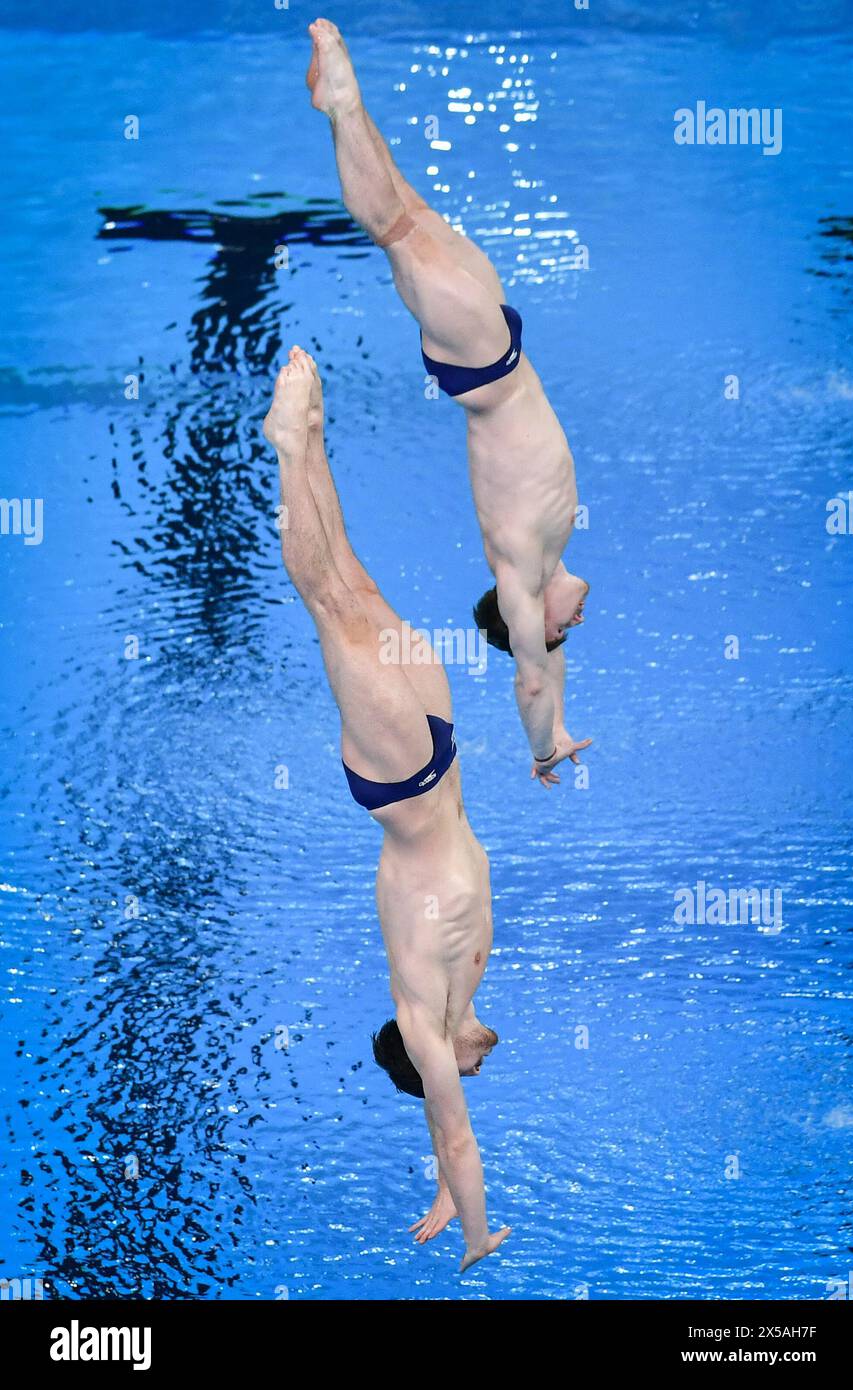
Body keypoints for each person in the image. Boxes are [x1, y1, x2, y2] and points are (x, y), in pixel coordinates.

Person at [263, 346, 510, 1271]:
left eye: (465, 1076)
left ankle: (291, 448)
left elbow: (457, 1138)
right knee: (355, 581)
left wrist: (477, 1234)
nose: (483, 1068)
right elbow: (449, 1149)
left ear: (440, 1069)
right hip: (438, 750)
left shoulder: (424, 1022)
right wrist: (447, 1183)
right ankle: (311, 439)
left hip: (400, 782)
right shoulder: (465, 989)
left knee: (328, 603)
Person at [306, 16, 591, 788]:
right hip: (498, 347)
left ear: (531, 624)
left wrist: (540, 751)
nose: (575, 627)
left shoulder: (521, 582)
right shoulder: (546, 564)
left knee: (393, 227)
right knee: (412, 211)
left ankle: (341, 99)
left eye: (562, 634)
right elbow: (550, 677)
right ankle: (344, 106)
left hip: (481, 365)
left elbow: (531, 675)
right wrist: (562, 725)